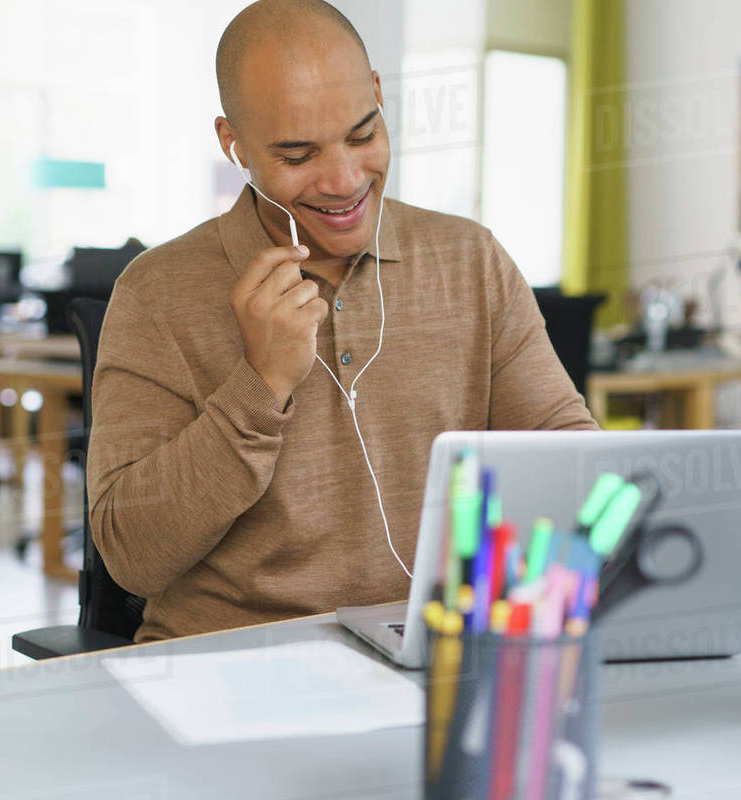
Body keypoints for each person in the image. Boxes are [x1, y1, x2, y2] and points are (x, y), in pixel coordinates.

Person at [87, 0, 598, 643]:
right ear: (233, 144)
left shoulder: (471, 260)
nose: (346, 180)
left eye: (363, 135)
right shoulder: (156, 294)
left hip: (437, 655)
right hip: (231, 670)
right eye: (298, 155)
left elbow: (573, 466)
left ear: (380, 96)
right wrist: (260, 385)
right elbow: (133, 558)